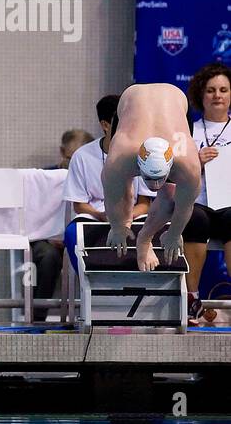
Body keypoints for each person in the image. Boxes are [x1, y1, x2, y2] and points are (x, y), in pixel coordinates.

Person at [101, 83, 201, 274]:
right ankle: (129, 224)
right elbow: (112, 197)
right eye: (148, 178)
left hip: (175, 99)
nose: (154, 186)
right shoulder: (120, 157)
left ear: (171, 164)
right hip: (131, 99)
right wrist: (118, 227)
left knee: (171, 194)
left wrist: (174, 234)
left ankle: (144, 239)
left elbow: (184, 206)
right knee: (121, 186)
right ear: (138, 164)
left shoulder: (188, 163)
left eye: (160, 178)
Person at [62, 95, 154, 274]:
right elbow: (80, 205)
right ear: (105, 125)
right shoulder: (82, 156)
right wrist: (102, 215)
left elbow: (144, 204)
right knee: (72, 234)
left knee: (155, 230)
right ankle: (89, 285)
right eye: (121, 120)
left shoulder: (144, 153)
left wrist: (126, 217)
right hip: (96, 216)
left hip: (133, 216)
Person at [27, 127, 96, 320]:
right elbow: (34, 213)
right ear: (61, 152)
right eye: (71, 157)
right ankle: (38, 318)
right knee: (49, 257)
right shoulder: (42, 177)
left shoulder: (92, 177)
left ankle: (94, 313)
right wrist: (50, 236)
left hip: (77, 236)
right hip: (45, 239)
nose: (74, 163)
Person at [184, 62, 231, 317]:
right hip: (198, 201)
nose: (217, 95)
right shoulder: (188, 130)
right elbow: (172, 172)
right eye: (211, 90)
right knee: (194, 217)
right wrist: (196, 161)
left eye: (223, 90)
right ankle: (192, 297)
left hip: (228, 203)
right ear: (201, 95)